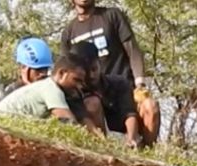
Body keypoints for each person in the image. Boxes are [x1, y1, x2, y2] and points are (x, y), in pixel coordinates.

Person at [59, 0, 159, 146]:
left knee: (150, 106)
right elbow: (67, 69)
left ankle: (148, 154)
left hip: (124, 91)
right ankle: (106, 152)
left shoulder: (112, 16)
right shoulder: (69, 32)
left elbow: (133, 50)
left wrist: (140, 83)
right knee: (90, 105)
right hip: (93, 97)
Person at [0, 53, 103, 135]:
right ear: (61, 73)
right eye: (76, 80)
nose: (80, 86)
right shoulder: (51, 88)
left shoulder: (56, 90)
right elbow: (70, 124)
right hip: (4, 123)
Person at [69, 40, 144, 148]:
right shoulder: (73, 92)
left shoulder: (119, 83)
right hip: (99, 141)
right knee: (92, 104)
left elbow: (129, 114)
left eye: (94, 69)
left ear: (99, 62)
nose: (91, 75)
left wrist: (131, 138)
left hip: (122, 136)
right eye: (86, 71)